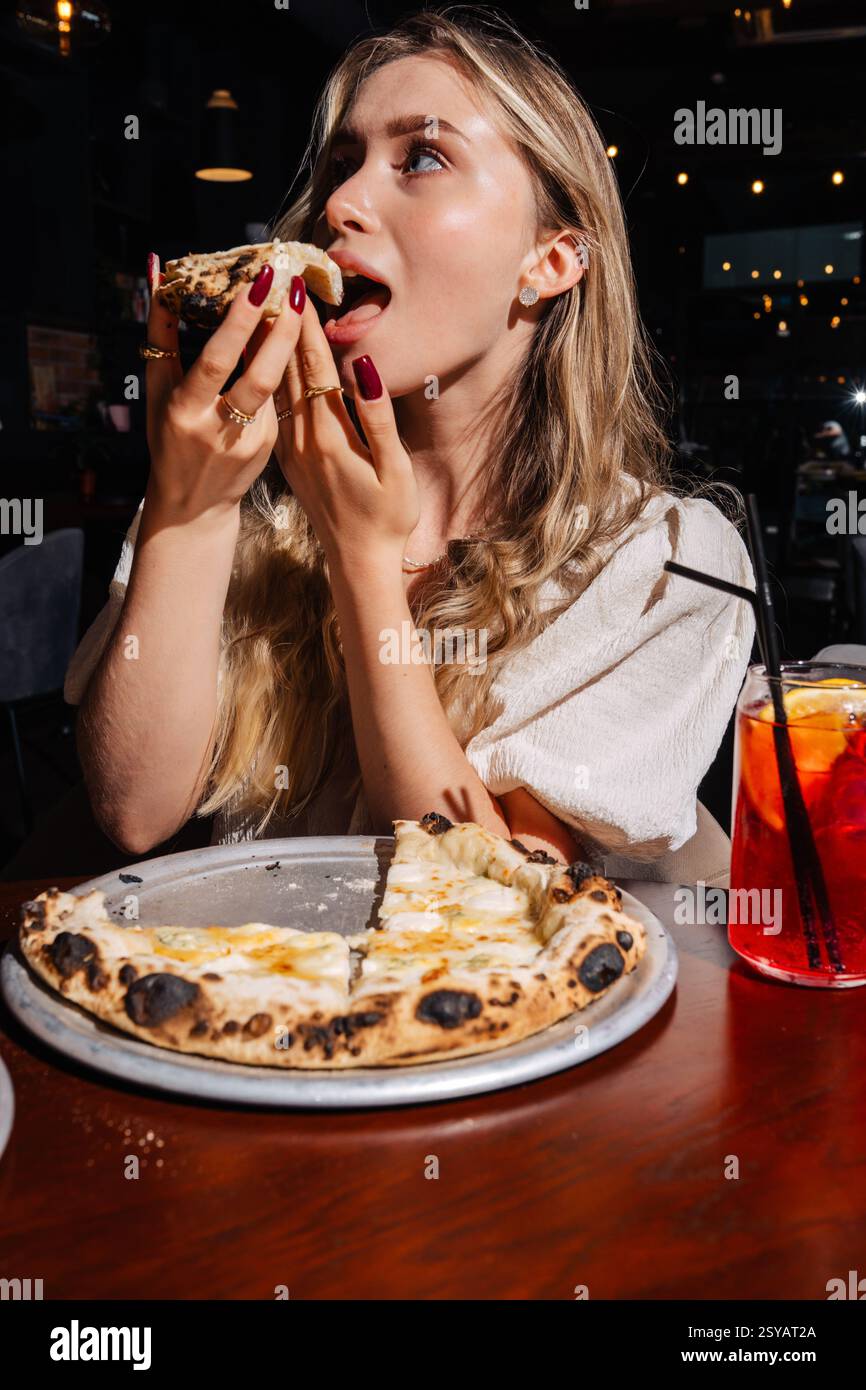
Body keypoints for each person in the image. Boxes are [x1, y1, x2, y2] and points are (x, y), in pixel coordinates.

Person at [66, 7, 755, 879]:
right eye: (342, 165)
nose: (340, 205)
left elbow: (495, 903)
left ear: (551, 259)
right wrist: (191, 510)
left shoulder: (658, 566)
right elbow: (133, 810)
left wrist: (364, 558)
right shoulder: (246, 502)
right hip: (263, 1002)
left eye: (422, 158)